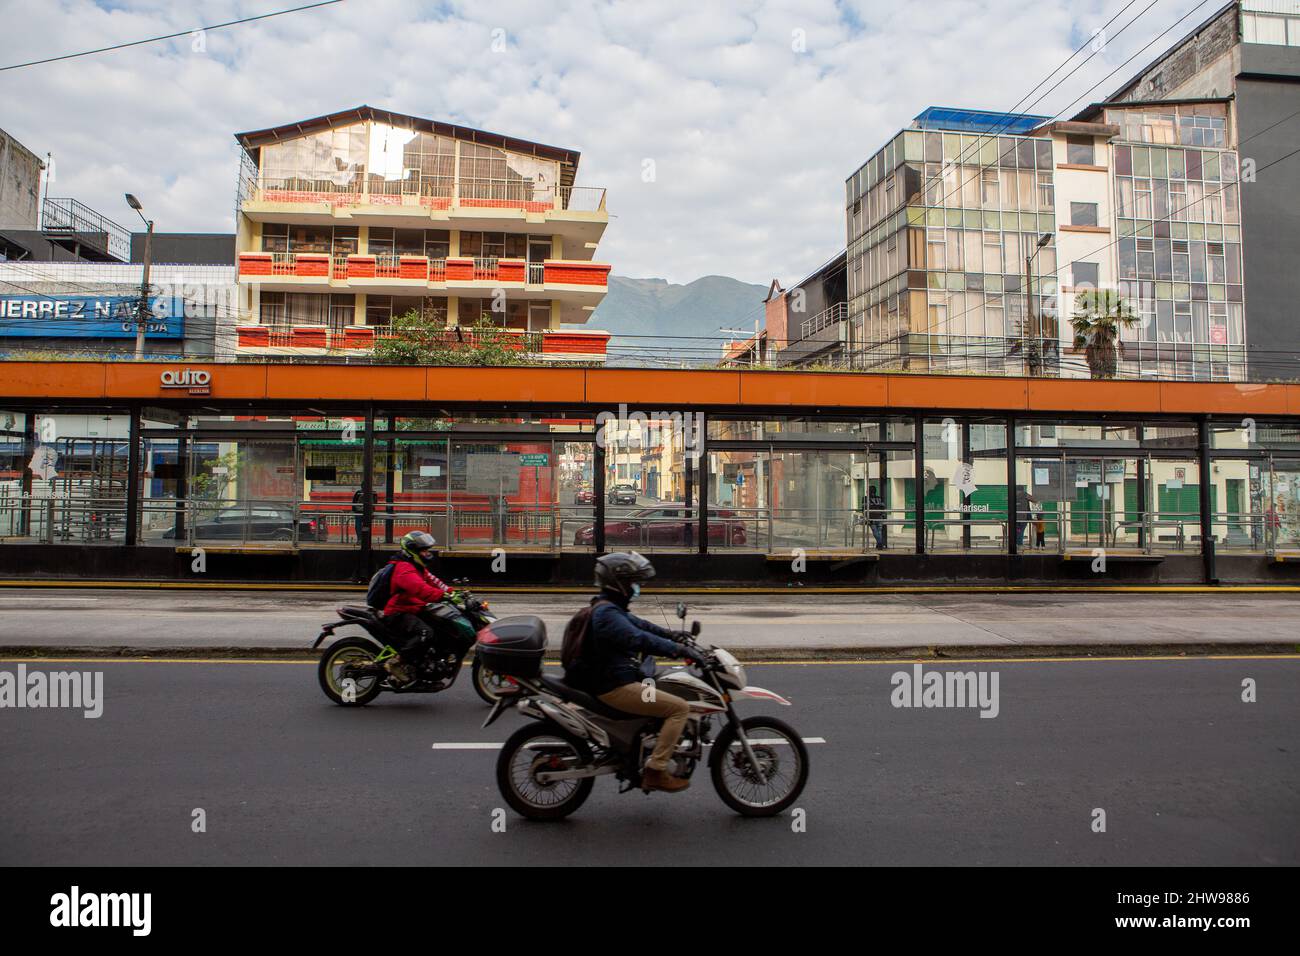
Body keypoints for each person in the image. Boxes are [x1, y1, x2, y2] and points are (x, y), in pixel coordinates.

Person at [565, 551, 708, 793]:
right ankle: (656, 769)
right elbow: (637, 637)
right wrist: (677, 649)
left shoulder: (609, 607)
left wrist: (672, 636)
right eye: (634, 582)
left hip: (614, 678)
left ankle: (645, 747)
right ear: (619, 583)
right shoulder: (607, 614)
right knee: (679, 708)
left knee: (660, 685)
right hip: (614, 687)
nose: (637, 587)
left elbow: (640, 625)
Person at [380, 531, 451, 685]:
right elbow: (421, 590)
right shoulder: (404, 568)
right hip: (398, 612)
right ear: (413, 551)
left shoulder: (418, 567)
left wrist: (454, 593)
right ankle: (397, 662)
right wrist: (442, 596)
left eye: (427, 550)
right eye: (424, 550)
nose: (427, 553)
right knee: (426, 633)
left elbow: (435, 582)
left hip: (413, 608)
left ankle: (423, 663)